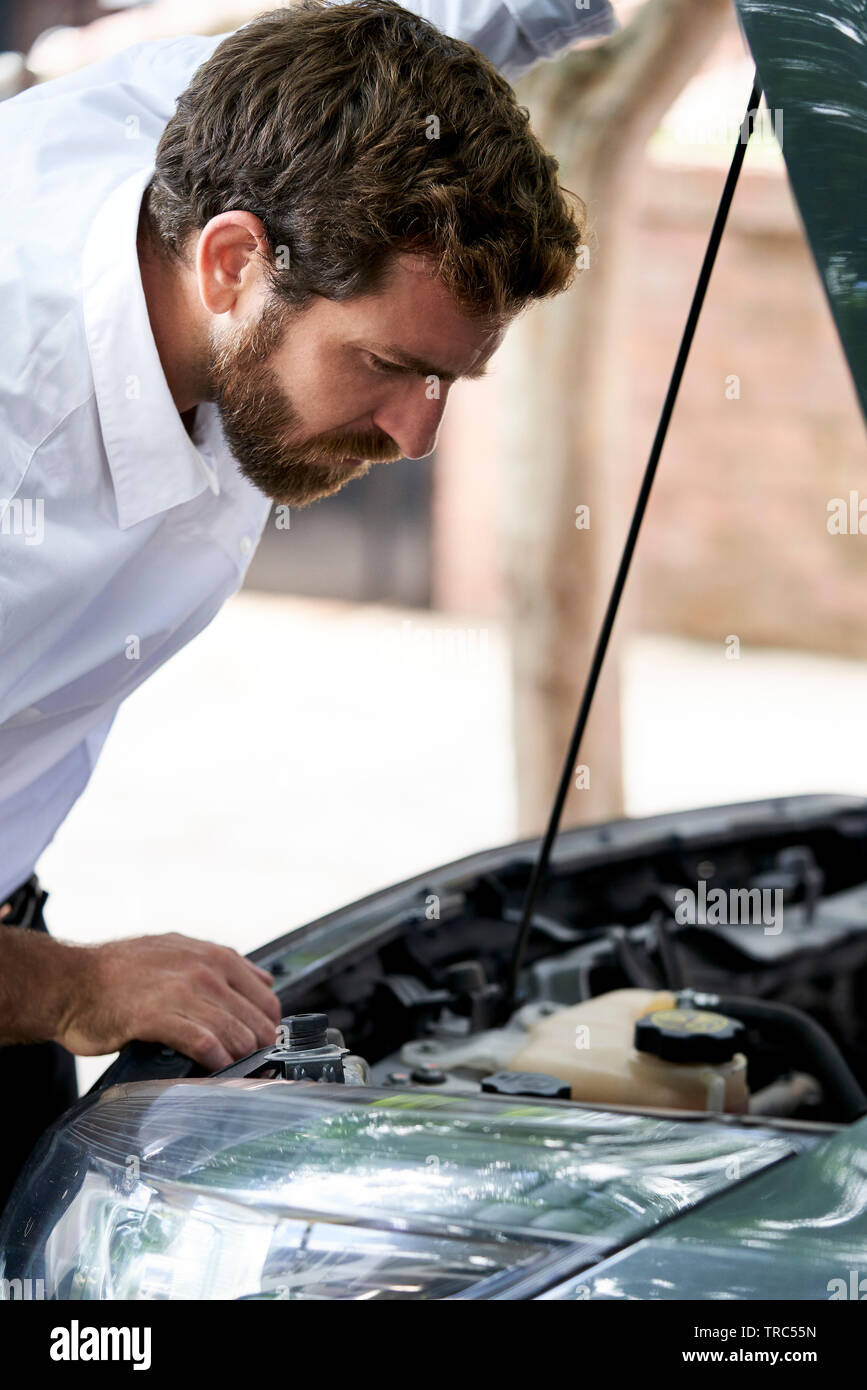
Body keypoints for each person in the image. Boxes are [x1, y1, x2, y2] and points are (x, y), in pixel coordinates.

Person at [0, 0, 617, 1209]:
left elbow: (431, 38)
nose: (418, 437)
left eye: (451, 379)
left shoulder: (257, 124)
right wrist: (67, 988)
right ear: (232, 261)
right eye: (391, 367)